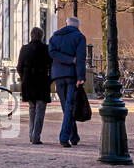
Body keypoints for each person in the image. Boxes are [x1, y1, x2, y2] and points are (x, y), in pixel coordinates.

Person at [48, 16, 88, 147]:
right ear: (77, 26)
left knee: (66, 106)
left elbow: (52, 53)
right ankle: (64, 137)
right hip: (71, 76)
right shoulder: (79, 37)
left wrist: (65, 59)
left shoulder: (54, 37)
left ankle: (74, 137)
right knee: (69, 106)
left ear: (66, 24)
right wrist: (80, 76)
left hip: (58, 76)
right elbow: (81, 59)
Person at [16, 27, 52, 144]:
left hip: (28, 82)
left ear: (31, 35)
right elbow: (52, 67)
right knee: (40, 109)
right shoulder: (46, 49)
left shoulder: (24, 49)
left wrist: (24, 78)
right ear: (41, 36)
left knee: (32, 108)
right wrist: (49, 80)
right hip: (42, 82)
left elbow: (19, 67)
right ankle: (36, 136)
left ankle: (31, 134)